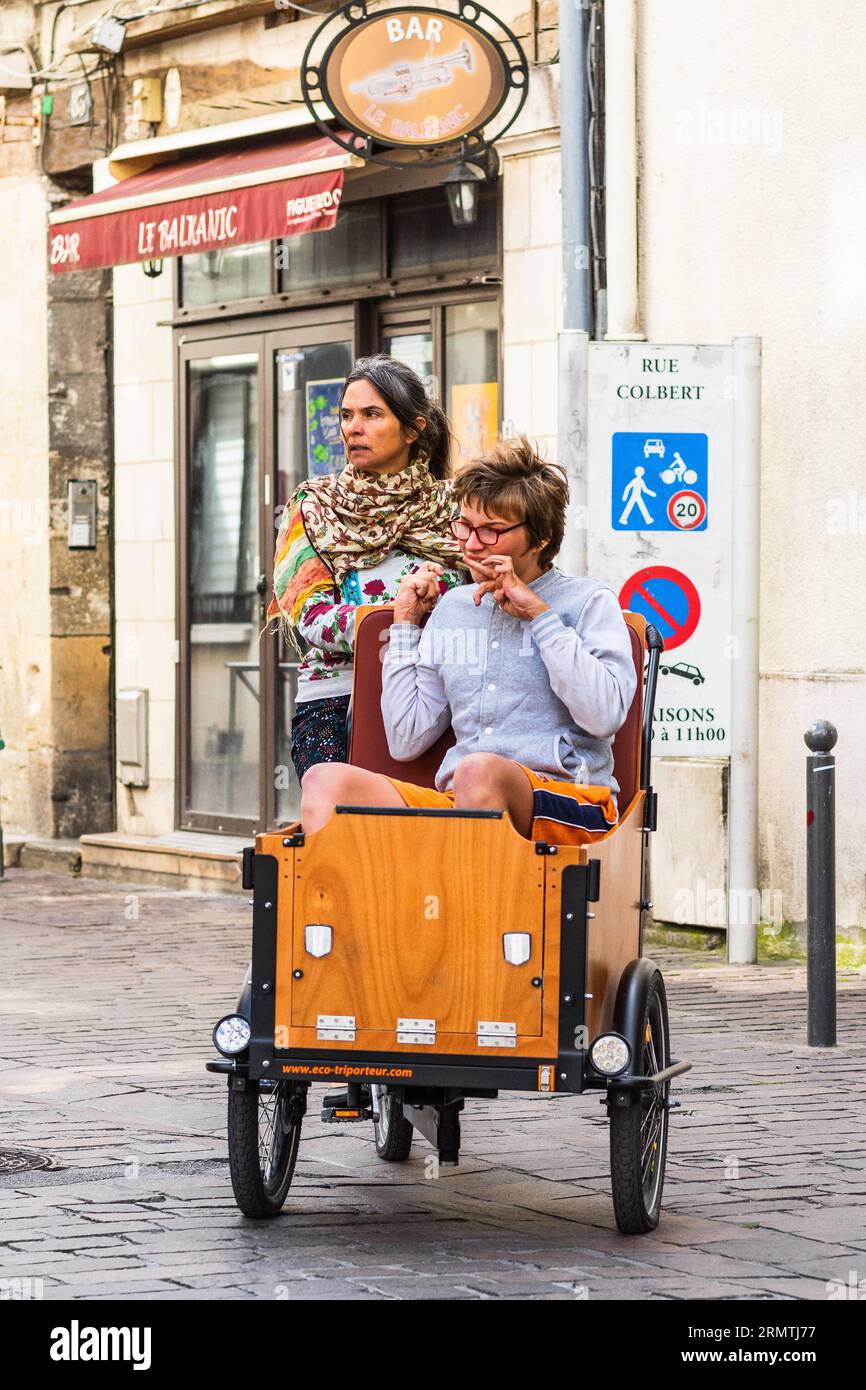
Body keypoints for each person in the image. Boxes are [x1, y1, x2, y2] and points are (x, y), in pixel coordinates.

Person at [301, 436, 637, 844]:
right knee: (324, 782)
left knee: (479, 770)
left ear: (543, 536)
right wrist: (406, 625)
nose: (473, 546)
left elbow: (604, 716)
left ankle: (469, 903)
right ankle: (339, 910)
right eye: (465, 526)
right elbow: (407, 738)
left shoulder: (587, 601)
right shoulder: (454, 607)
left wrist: (539, 616)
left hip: (570, 801)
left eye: (492, 531)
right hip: (463, 802)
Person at [268, 355, 466, 782]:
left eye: (372, 414)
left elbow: (482, 603)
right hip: (336, 702)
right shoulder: (314, 507)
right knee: (345, 833)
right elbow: (312, 619)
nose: (353, 428)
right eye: (346, 415)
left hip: (440, 696)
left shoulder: (456, 507)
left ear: (413, 429)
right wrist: (399, 615)